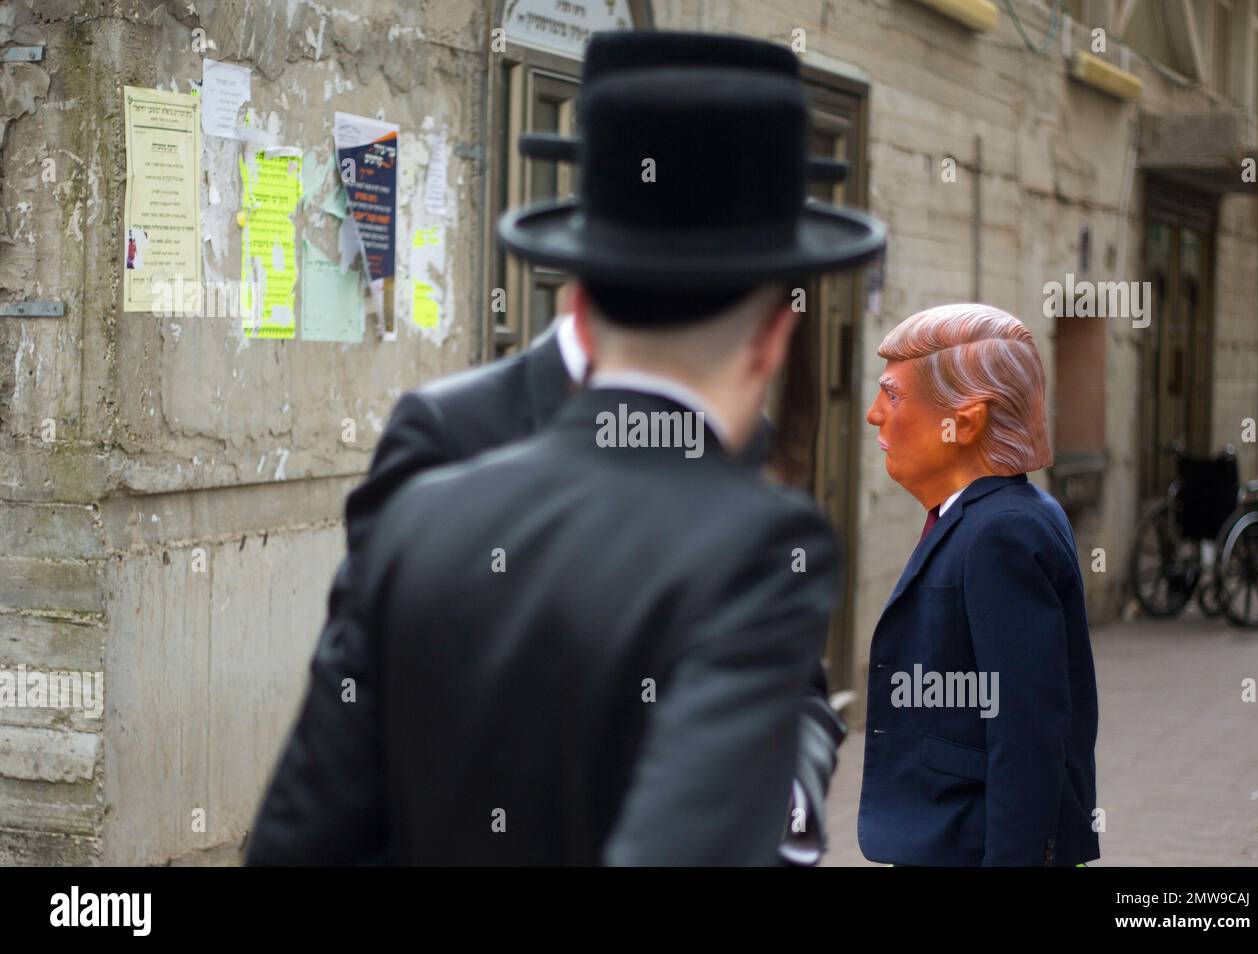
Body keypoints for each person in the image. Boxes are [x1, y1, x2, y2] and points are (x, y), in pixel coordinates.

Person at [246, 30, 884, 865]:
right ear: (774, 337)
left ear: (577, 287)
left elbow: (791, 686)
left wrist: (782, 799)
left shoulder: (431, 520)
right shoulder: (443, 441)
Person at [856, 303, 1099, 867]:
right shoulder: (987, 515)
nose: (873, 415)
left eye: (892, 396)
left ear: (966, 421)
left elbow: (1028, 732)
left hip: (969, 844)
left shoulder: (1003, 532)